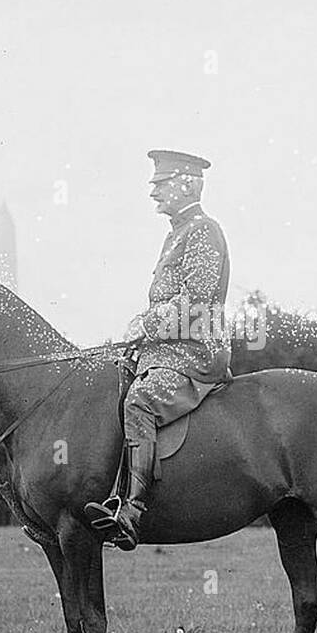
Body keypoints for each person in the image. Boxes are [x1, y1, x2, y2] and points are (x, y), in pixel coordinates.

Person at [84, 149, 232, 549]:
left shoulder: (202, 231)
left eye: (161, 184)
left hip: (195, 353)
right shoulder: (177, 234)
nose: (153, 193)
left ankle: (132, 511)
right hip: (168, 350)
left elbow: (197, 303)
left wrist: (145, 326)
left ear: (186, 184)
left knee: (140, 402)